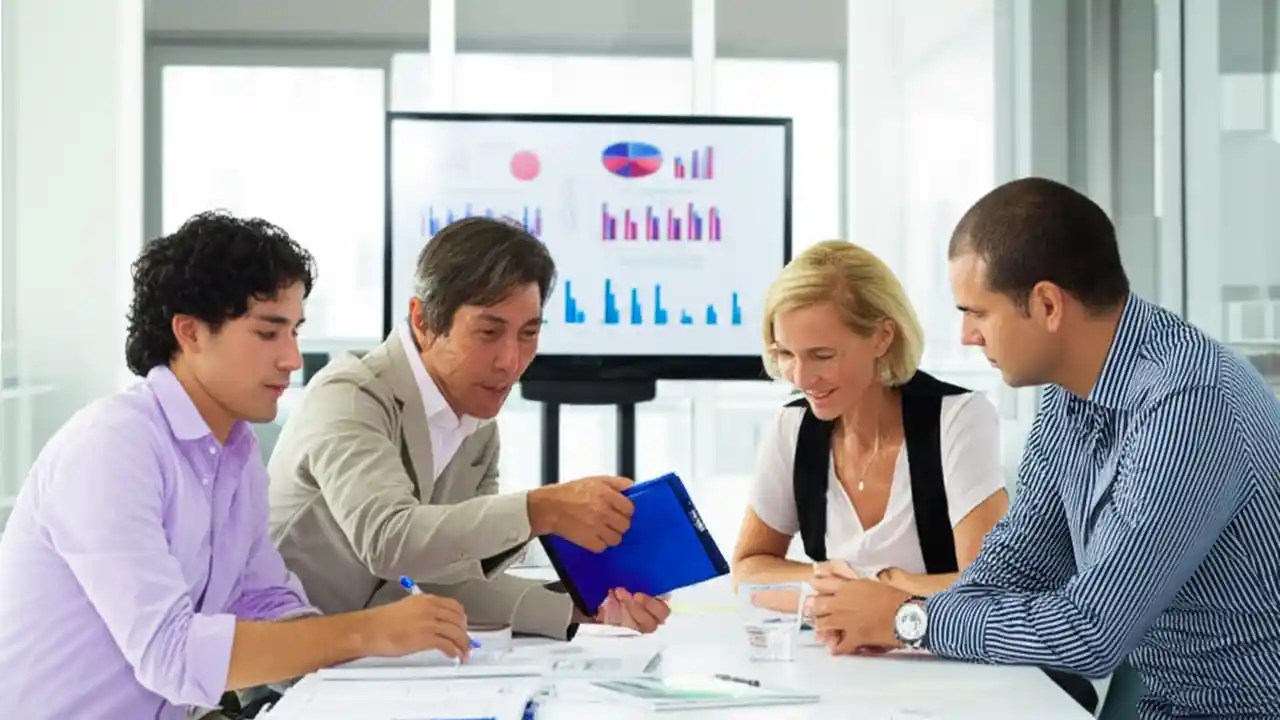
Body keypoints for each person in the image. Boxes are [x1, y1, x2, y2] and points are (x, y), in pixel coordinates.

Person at [806, 177, 1280, 718]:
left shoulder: (1190, 404)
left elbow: (1093, 631)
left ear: (1047, 304)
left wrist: (907, 620)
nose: (966, 336)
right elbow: (1017, 563)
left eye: (977, 312)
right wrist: (893, 619)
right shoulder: (1070, 394)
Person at [0, 212, 474, 720]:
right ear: (190, 333)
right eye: (269, 333)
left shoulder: (236, 453)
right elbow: (173, 655)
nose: (293, 358)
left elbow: (266, 602)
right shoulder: (113, 447)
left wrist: (376, 659)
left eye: (295, 331)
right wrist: (367, 631)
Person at [268, 216, 670, 640]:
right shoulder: (351, 395)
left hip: (358, 666)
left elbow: (447, 577)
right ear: (422, 321)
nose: (510, 361)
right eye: (488, 332)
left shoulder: (475, 424)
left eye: (529, 333)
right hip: (283, 680)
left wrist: (584, 607)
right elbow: (388, 541)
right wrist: (542, 510)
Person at [732, 240, 1009, 612]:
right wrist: (860, 588)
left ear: (882, 337)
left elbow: (988, 589)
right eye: (785, 353)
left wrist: (872, 590)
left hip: (940, 662)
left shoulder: (958, 419)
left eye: (822, 355)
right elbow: (748, 570)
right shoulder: (792, 427)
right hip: (835, 662)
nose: (800, 378)